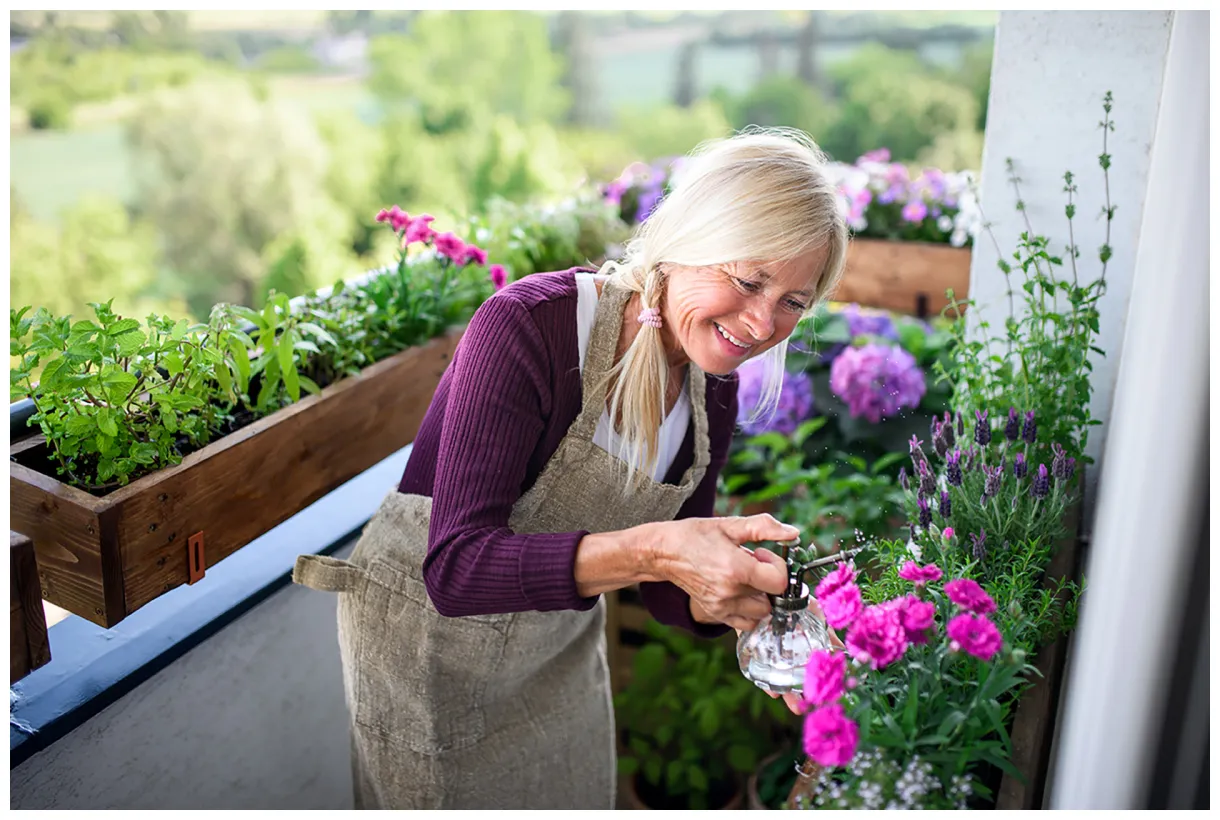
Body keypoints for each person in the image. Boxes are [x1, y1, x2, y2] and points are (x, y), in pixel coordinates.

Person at [293, 127, 848, 810]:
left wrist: (746, 609)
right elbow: (456, 570)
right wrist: (656, 550)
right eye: (748, 280)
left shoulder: (714, 379)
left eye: (794, 300)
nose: (764, 324)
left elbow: (668, 592)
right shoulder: (531, 326)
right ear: (688, 242)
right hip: (427, 657)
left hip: (552, 650)